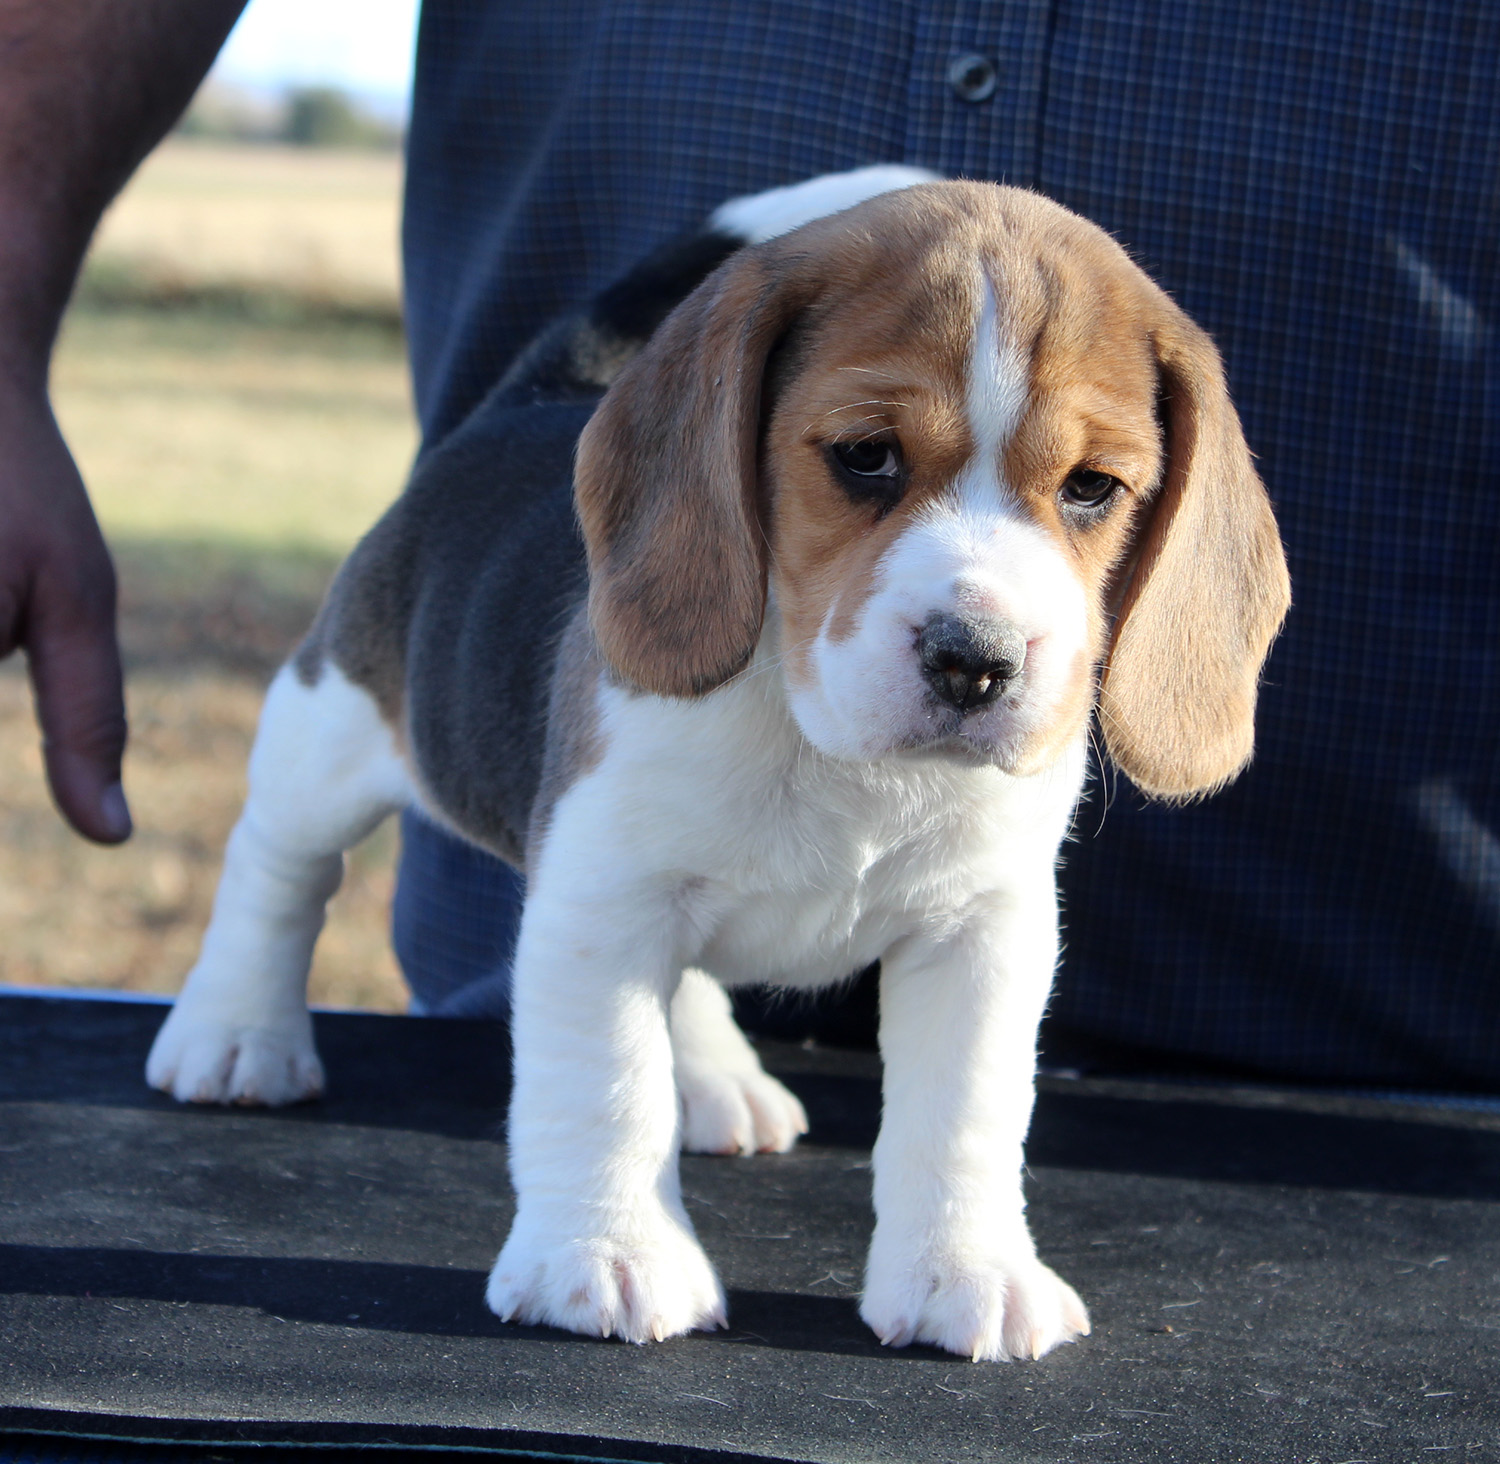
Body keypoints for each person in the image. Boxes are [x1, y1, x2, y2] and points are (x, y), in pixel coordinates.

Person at [4, 1, 1497, 1089]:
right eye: (864, 459)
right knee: (542, 859)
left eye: (1089, 490)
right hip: (553, 726)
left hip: (1365, 990)